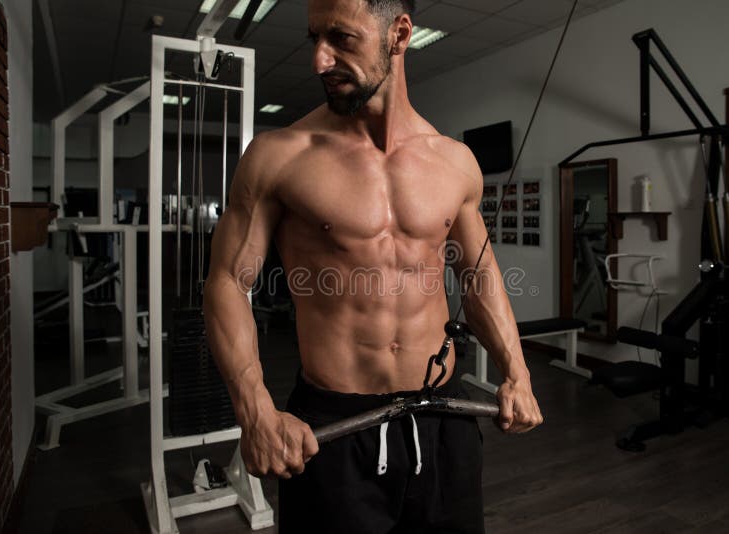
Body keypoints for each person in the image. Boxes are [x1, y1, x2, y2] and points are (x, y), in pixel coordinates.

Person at [203, 0, 543, 531]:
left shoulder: (454, 162)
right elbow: (227, 281)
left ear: (399, 34)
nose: (319, 59)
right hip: (334, 427)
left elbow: (478, 275)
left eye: (341, 38)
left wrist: (517, 374)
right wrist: (255, 410)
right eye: (314, 38)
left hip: (442, 419)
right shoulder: (279, 156)